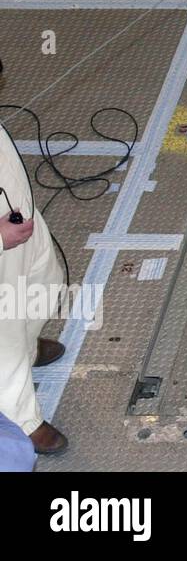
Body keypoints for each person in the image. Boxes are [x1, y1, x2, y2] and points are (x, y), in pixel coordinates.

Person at [0, 59, 69, 457]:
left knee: (47, 282)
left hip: (19, 220)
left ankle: (28, 348)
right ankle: (22, 422)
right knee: (3, 342)